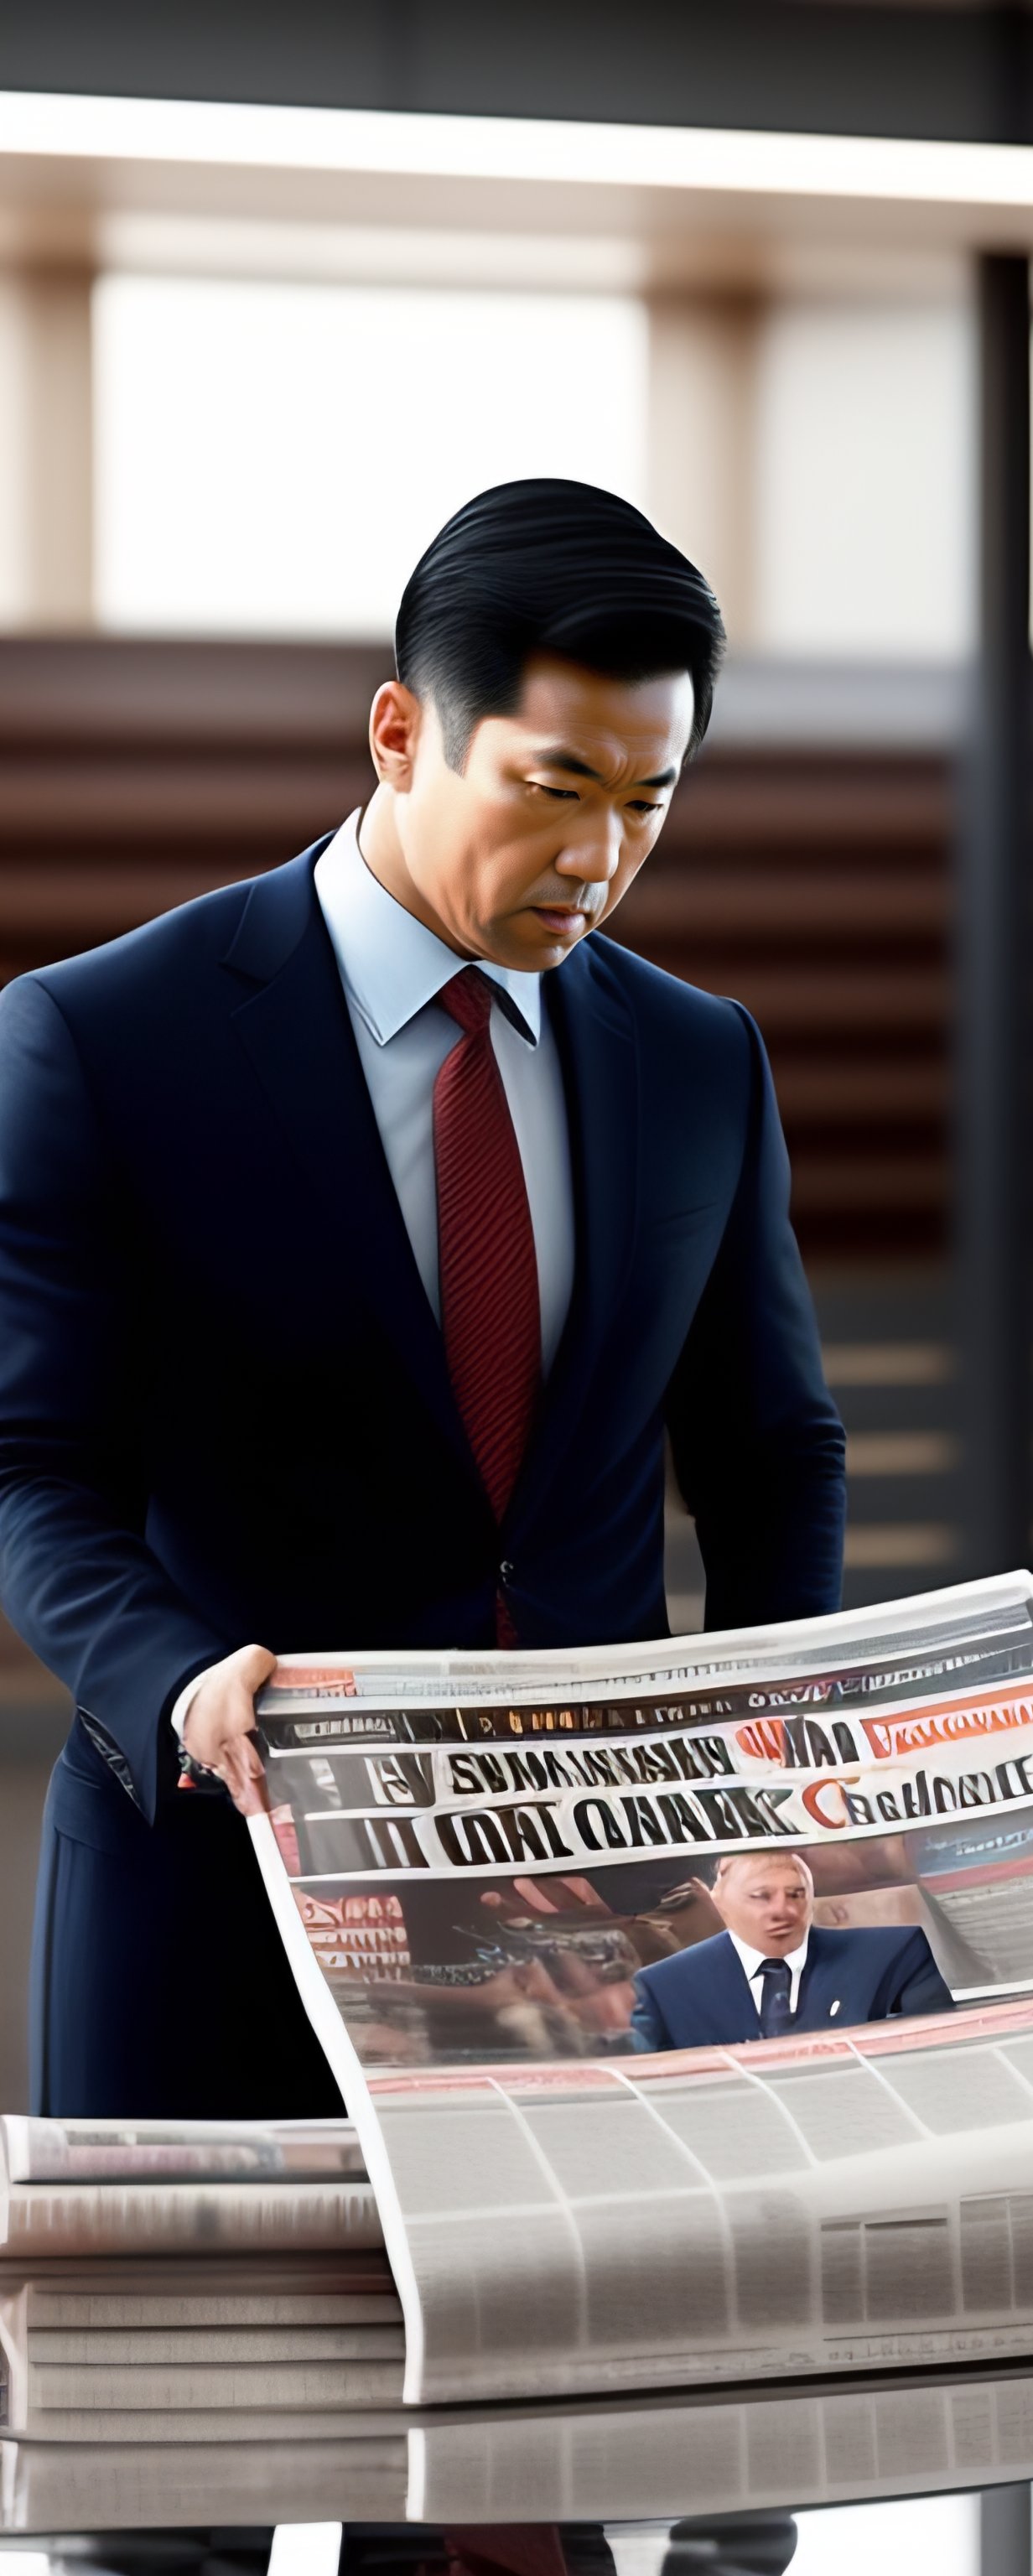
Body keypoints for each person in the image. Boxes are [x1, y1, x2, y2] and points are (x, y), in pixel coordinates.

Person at [0, 479, 847, 2121]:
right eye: (552, 788)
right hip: (219, 1889)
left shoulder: (697, 1060)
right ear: (399, 733)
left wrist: (765, 1756)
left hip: (602, 1917)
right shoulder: (104, 1040)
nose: (598, 856)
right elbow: (34, 1465)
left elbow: (773, 1453)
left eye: (647, 800)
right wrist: (174, 1674)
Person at [628, 1850, 953, 2050]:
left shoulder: (893, 1956)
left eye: (796, 1895)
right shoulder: (663, 1988)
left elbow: (938, 2061)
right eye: (761, 1897)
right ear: (719, 1903)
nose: (783, 1911)